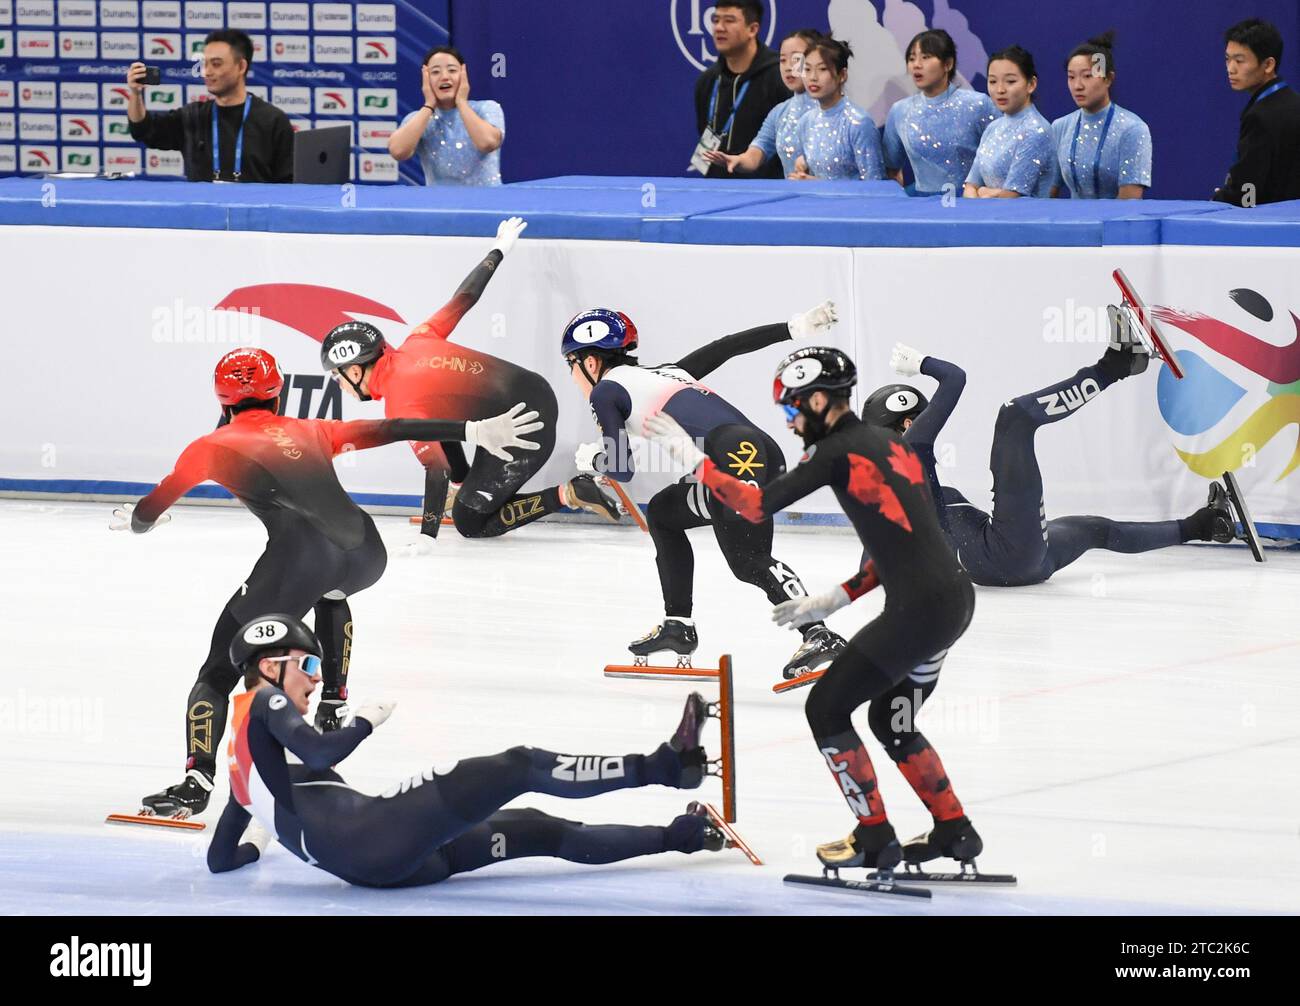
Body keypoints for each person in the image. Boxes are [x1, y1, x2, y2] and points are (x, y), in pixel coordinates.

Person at [114, 348, 541, 818]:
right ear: (278, 396)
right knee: (332, 593)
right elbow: (391, 429)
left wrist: (141, 520)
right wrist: (474, 430)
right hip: (366, 552)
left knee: (216, 673)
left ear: (222, 403)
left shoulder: (208, 449)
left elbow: (149, 509)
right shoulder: (312, 428)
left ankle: (197, 782)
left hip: (297, 563)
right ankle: (334, 701)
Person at [644, 348, 981, 872]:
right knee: (895, 724)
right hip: (954, 601)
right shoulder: (891, 445)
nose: (791, 422)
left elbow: (753, 505)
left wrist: (694, 462)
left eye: (792, 409)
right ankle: (955, 830)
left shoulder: (833, 452)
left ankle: (875, 837)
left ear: (819, 400)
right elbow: (906, 542)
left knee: (825, 709)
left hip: (917, 611)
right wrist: (838, 597)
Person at [207, 614, 734, 886]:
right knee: (519, 764)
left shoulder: (243, 773)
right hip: (381, 835)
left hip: (389, 866)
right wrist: (366, 719)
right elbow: (322, 755)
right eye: (310, 666)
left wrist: (258, 843)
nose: (317, 682)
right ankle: (666, 766)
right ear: (271, 664)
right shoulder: (262, 700)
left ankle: (682, 837)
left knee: (539, 828)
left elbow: (218, 860)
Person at [561, 302, 846, 682]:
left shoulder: (607, 391)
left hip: (734, 457)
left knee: (749, 561)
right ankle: (678, 626)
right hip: (758, 450)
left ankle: (818, 633)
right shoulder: (669, 372)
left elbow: (620, 468)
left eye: (571, 367)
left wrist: (592, 460)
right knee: (664, 512)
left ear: (590, 363)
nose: (574, 378)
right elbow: (728, 346)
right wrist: (794, 327)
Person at [859, 315, 1236, 589]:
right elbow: (955, 378)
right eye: (920, 416)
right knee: (1014, 420)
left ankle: (1205, 525)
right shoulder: (909, 449)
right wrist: (921, 363)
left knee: (1095, 529)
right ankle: (1116, 365)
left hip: (1015, 563)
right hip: (1002, 551)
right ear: (907, 424)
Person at [320, 218, 621, 542]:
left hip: (520, 425)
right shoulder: (418, 338)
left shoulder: (399, 401)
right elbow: (465, 297)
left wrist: (428, 533)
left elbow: (435, 470)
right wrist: (499, 248)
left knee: (470, 522)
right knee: (437, 415)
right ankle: (464, 487)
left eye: (338, 377)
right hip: (530, 392)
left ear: (355, 371)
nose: (338, 384)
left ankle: (571, 492)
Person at [126, 29, 292, 183]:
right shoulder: (192, 116)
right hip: (202, 213)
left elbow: (288, 182)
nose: (207, 72)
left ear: (241, 66)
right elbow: (143, 129)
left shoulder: (273, 120)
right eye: (205, 64)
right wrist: (135, 94)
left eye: (216, 64)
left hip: (255, 214)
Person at [882, 29, 998, 196]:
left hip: (971, 203)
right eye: (912, 58)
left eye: (926, 57)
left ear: (948, 64)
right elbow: (890, 169)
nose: (916, 65)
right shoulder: (900, 111)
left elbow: (1001, 157)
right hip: (921, 205)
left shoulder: (978, 104)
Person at [703, 28, 823, 177]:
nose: (788, 67)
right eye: (783, 60)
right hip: (793, 197)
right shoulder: (780, 112)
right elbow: (757, 153)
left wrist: (816, 183)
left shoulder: (841, 114)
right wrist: (738, 160)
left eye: (796, 59)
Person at [692, 0, 790, 180]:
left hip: (766, 196)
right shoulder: (707, 81)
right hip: (715, 193)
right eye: (716, 20)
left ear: (752, 29)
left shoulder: (780, 78)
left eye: (729, 20)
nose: (719, 28)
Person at [1050, 32, 1152, 199]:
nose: (1077, 85)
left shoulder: (1132, 129)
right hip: (1069, 223)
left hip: (1112, 224)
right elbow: (1046, 195)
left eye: (1087, 76)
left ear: (1108, 79)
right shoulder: (1060, 127)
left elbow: (1129, 202)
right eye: (1071, 77)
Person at [388, 46, 504, 187]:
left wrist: (461, 102)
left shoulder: (486, 108)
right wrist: (429, 105)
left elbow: (487, 143)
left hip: (487, 205)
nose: (444, 77)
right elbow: (398, 152)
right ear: (426, 79)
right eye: (435, 72)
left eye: (452, 70)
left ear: (463, 75)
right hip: (441, 206)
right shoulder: (418, 119)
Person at [1214, 18, 1300, 206]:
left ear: (1268, 65)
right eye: (1228, 59)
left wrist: (1222, 199)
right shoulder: (1293, 102)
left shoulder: (1260, 116)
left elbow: (1247, 192)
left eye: (1239, 60)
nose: (1231, 69)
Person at [964, 45, 1055, 198]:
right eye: (993, 81)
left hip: (1027, 219)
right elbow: (970, 186)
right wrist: (981, 193)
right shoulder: (992, 128)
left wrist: (983, 192)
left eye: (1010, 81)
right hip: (986, 217)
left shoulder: (1036, 131)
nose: (1000, 90)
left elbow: (1012, 197)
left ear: (1031, 84)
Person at [789, 38, 885, 181]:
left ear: (842, 75)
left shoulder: (858, 123)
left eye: (822, 69)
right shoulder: (806, 121)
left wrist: (816, 184)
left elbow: (874, 185)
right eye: (807, 69)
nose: (813, 77)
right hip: (815, 203)